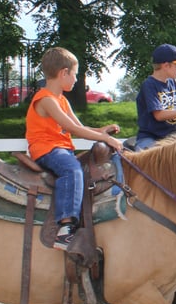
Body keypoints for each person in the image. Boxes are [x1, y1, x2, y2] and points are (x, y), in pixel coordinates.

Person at [26, 47, 123, 250]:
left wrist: (101, 130)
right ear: (64, 73)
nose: (76, 80)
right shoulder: (46, 99)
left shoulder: (62, 100)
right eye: (75, 74)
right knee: (71, 170)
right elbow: (71, 129)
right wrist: (107, 140)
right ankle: (65, 227)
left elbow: (78, 127)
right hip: (47, 149)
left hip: (60, 148)